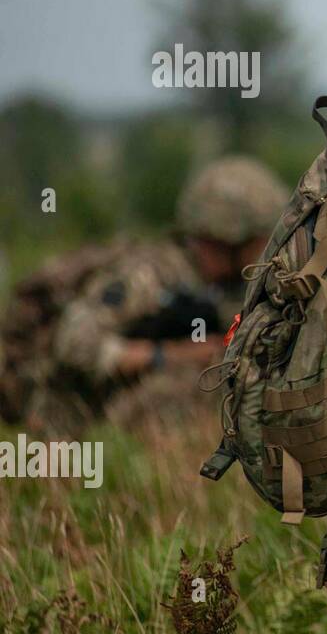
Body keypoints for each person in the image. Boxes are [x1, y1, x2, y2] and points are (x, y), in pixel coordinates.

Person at [0, 155, 288, 433]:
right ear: (227, 237)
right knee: (193, 380)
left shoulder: (224, 285)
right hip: (65, 417)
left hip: (112, 416)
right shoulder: (148, 276)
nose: (268, 249)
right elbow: (75, 343)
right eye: (261, 239)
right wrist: (170, 355)